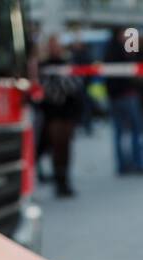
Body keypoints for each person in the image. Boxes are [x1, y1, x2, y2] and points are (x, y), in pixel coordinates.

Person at [38, 35, 86, 197]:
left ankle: (64, 180)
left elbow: (75, 86)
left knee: (65, 149)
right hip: (52, 116)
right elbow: (46, 92)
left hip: (67, 114)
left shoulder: (67, 64)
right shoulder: (43, 66)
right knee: (56, 149)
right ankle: (59, 182)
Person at [104, 26, 143, 175]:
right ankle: (139, 163)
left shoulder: (110, 50)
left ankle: (124, 165)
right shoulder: (123, 51)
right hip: (127, 95)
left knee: (120, 133)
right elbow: (135, 65)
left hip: (117, 96)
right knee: (135, 130)